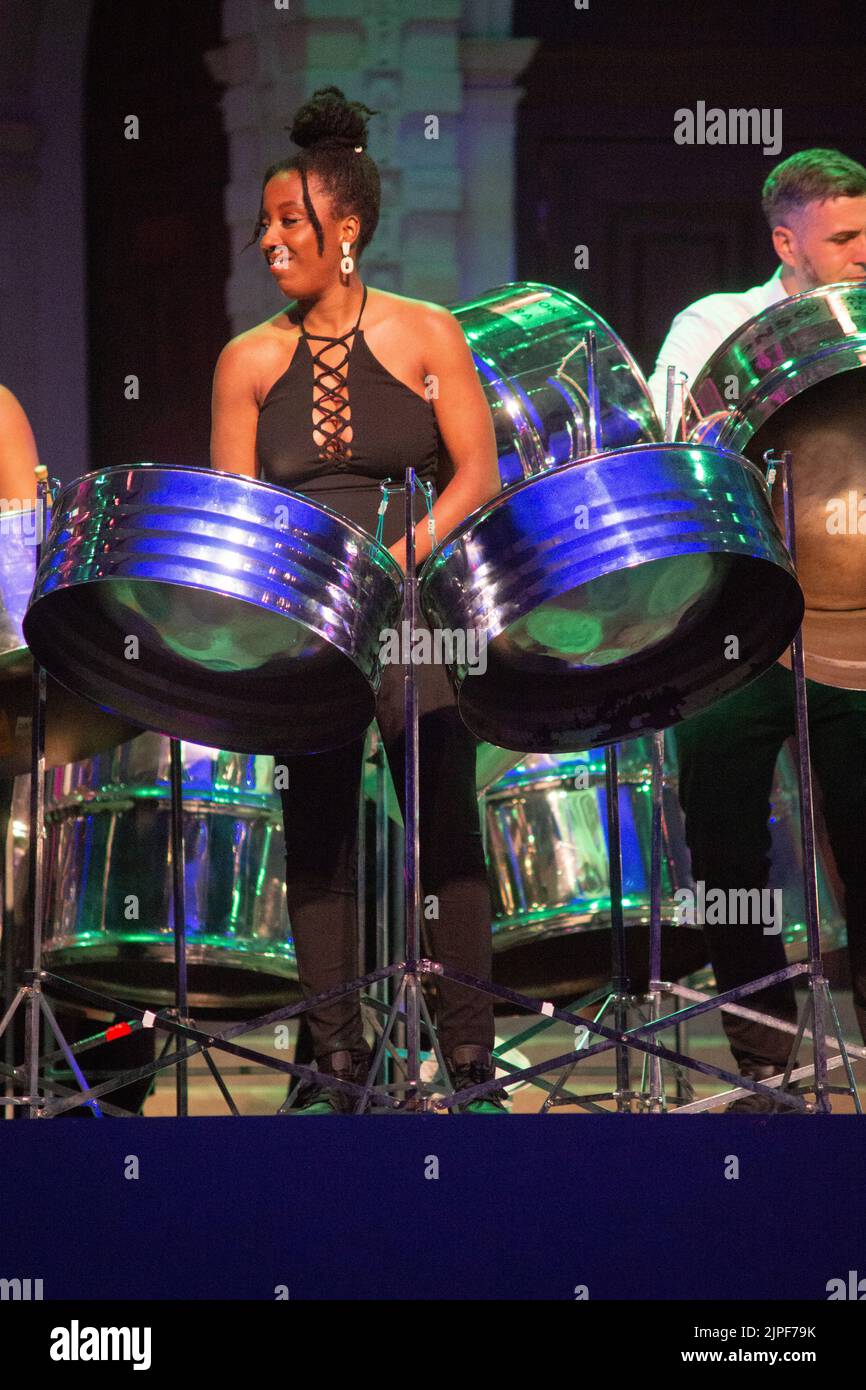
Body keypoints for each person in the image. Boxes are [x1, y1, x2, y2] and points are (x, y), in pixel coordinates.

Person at [210, 87, 506, 1113]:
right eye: (263, 224)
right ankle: (331, 1058)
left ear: (346, 231)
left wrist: (397, 558)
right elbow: (238, 510)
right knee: (317, 831)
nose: (269, 239)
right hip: (309, 613)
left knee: (444, 818)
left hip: (415, 603)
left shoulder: (426, 335)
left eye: (288, 221)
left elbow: (477, 474)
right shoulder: (246, 361)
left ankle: (469, 1059)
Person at [649, 148, 866, 1111]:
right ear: (788, 242)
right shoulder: (713, 323)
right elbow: (668, 440)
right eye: (847, 238)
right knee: (728, 844)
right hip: (740, 626)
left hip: (853, 627)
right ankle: (768, 1059)